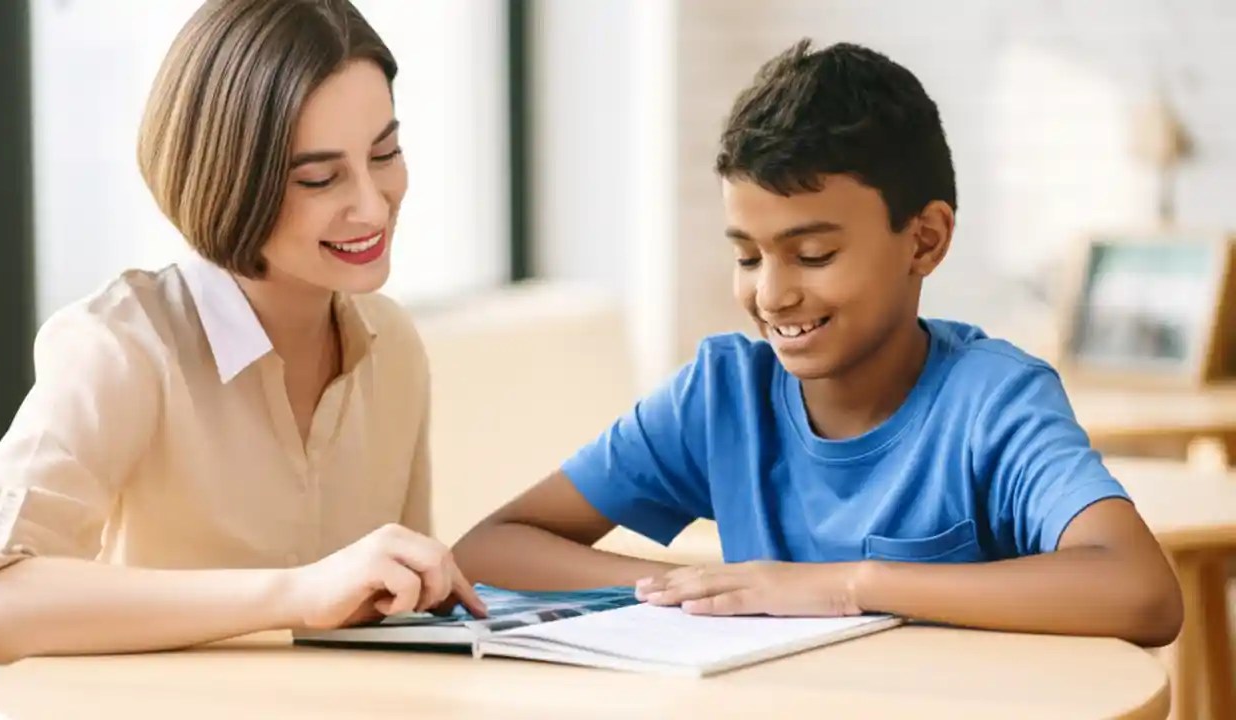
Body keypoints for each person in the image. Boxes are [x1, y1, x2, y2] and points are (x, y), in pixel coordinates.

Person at [453, 39, 1183, 647]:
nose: (771, 295)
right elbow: (490, 546)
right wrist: (693, 591)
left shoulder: (991, 401)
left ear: (924, 240)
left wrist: (840, 586)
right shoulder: (721, 396)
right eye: (747, 256)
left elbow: (1142, 592)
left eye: (812, 255)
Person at [0, 0, 485, 666]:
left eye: (385, 153)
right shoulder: (125, 348)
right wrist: (293, 594)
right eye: (320, 178)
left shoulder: (392, 344)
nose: (374, 205)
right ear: (231, 180)